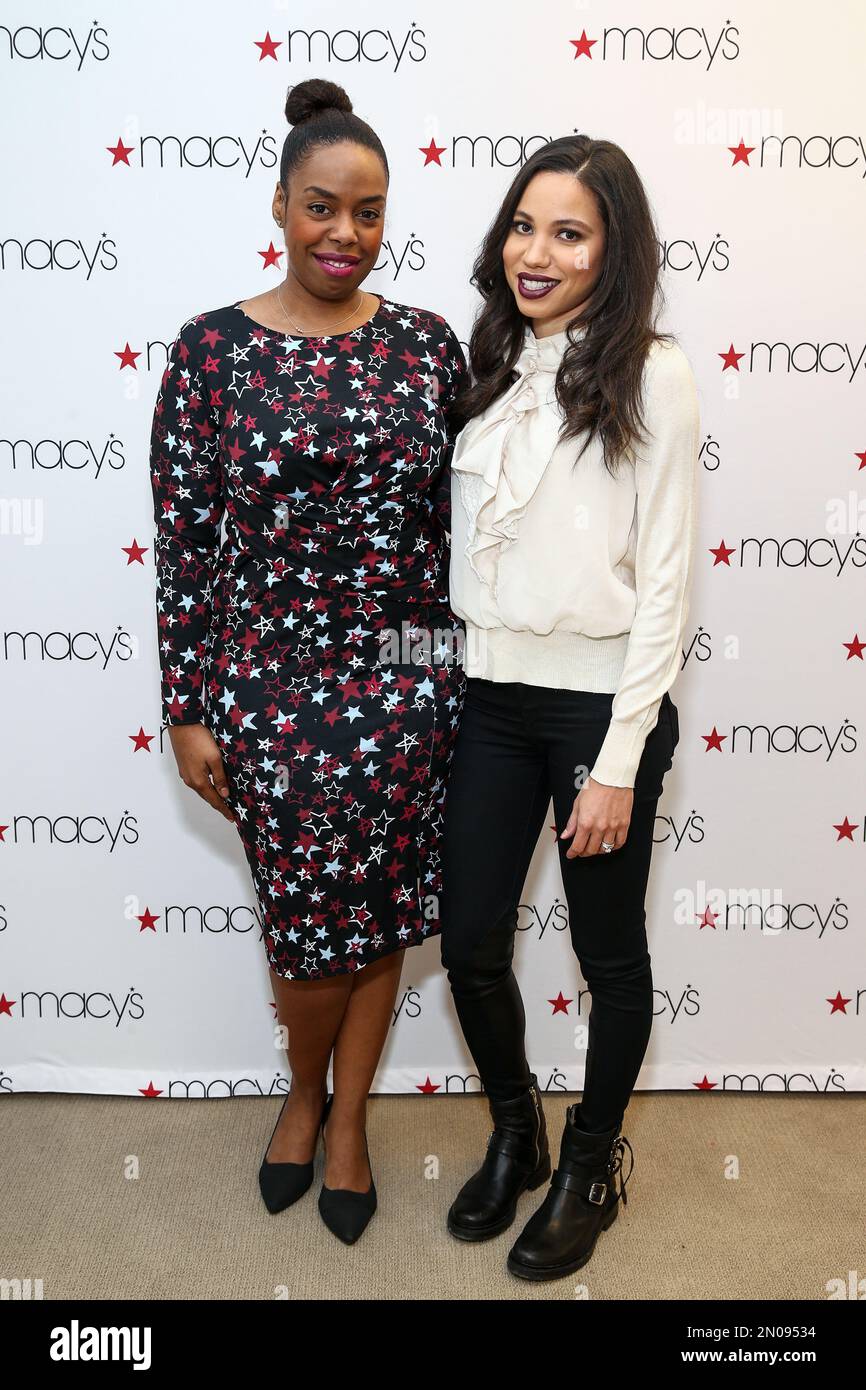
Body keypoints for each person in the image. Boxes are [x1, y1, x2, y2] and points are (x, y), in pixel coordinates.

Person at [149, 77, 467, 1246]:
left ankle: (347, 1123)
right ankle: (301, 1094)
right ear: (281, 205)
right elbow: (186, 546)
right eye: (324, 207)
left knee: (381, 913)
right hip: (269, 683)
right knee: (304, 921)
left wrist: (452, 675)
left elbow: (462, 524)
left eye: (370, 211)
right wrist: (189, 708)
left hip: (403, 678)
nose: (346, 234)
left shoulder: (427, 344)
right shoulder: (209, 353)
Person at [440, 134, 700, 1281]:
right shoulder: (488, 362)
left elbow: (667, 583)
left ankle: (588, 1167)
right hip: (489, 701)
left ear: (612, 250)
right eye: (522, 226)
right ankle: (515, 1127)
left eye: (568, 232)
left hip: (600, 709)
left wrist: (614, 759)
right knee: (468, 940)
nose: (534, 253)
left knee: (608, 957)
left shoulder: (653, 369)